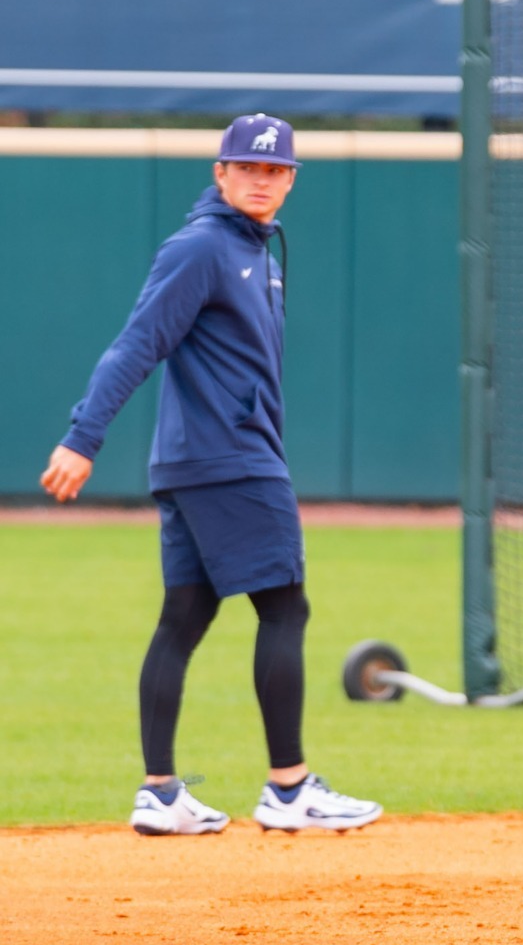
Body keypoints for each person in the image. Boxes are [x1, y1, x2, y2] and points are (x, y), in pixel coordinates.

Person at [41, 114, 381, 836]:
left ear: (291, 179)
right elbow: (136, 342)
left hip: (200, 456)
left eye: (275, 170)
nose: (262, 180)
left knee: (186, 615)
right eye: (248, 167)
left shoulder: (257, 248)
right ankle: (289, 787)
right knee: (285, 607)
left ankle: (159, 792)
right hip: (228, 457)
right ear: (219, 172)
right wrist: (83, 435)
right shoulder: (201, 248)